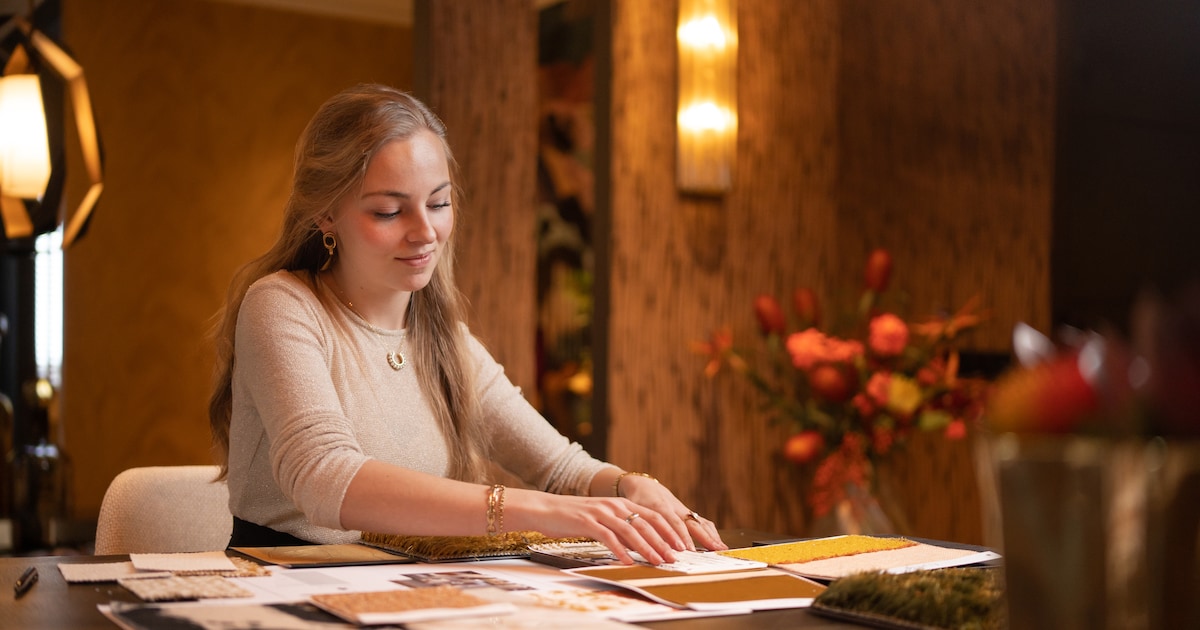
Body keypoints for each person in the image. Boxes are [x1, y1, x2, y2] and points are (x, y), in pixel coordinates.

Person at [208, 83, 725, 564]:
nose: (425, 231)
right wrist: (535, 510)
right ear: (324, 215)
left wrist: (626, 486)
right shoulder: (280, 305)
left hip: (410, 586)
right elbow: (324, 478)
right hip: (284, 584)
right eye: (389, 212)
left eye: (439, 203)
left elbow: (561, 469)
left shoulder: (445, 339)